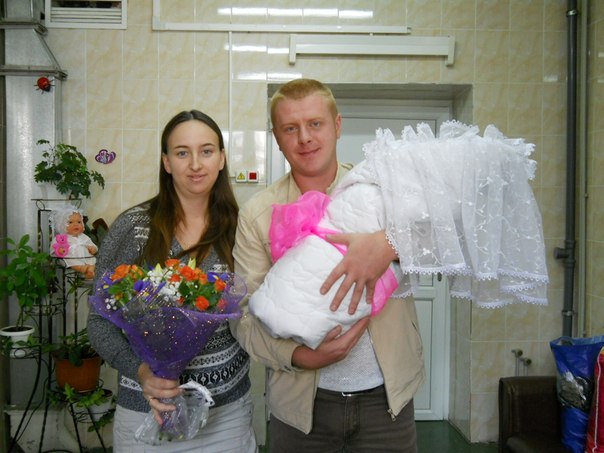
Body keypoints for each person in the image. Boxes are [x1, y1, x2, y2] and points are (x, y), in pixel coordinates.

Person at [232, 78, 425, 452]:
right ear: (276, 138)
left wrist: (389, 244)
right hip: (300, 410)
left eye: (315, 124)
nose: (304, 138)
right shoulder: (257, 214)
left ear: (337, 125)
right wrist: (301, 356)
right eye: (290, 128)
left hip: (387, 401)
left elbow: (445, 249)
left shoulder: (380, 190)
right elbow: (243, 318)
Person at [87, 110, 257, 452]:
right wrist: (141, 372)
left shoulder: (243, 228)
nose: (195, 164)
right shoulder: (133, 228)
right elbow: (99, 321)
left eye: (206, 151)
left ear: (222, 158)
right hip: (146, 412)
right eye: (182, 152)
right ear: (166, 162)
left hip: (225, 416)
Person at [50, 206, 97, 279]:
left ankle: (90, 271)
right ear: (62, 225)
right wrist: (59, 250)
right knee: (73, 262)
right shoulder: (61, 237)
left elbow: (91, 244)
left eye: (79, 222)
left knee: (92, 261)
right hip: (71, 257)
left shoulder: (84, 236)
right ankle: (84, 269)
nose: (76, 224)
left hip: (86, 257)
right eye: (70, 222)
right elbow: (54, 247)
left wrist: (93, 249)